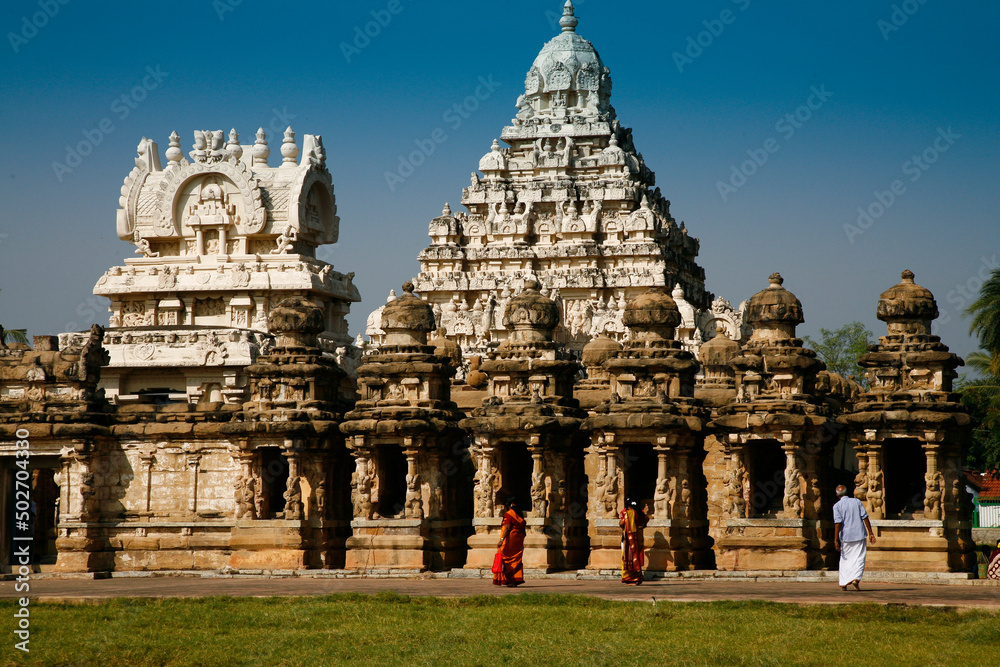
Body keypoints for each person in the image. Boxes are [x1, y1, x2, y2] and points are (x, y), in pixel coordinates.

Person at [833, 484, 876, 591]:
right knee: (859, 558)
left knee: (845, 560)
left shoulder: (837, 506)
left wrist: (835, 539)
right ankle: (856, 578)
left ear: (837, 495)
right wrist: (870, 532)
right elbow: (865, 517)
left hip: (846, 536)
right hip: (859, 534)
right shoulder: (856, 502)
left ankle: (843, 583)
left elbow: (838, 523)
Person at [494, 497, 526, 587]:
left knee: (505, 558)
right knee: (516, 559)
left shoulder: (509, 514)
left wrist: (501, 540)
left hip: (509, 540)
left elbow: (507, 528)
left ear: (508, 505)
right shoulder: (520, 515)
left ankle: (509, 579)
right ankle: (516, 578)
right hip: (518, 540)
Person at [619, 496, 648, 585]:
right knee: (637, 556)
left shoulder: (628, 513)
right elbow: (646, 520)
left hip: (628, 538)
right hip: (638, 538)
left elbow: (621, 523)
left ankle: (630, 577)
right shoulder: (640, 513)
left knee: (628, 556)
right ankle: (637, 576)